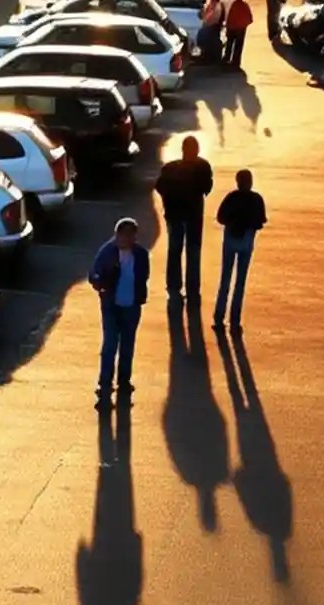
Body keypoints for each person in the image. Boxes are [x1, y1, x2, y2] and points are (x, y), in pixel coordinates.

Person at [88, 218, 150, 409]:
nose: (125, 240)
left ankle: (124, 381)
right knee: (110, 346)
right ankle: (105, 385)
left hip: (131, 306)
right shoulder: (108, 252)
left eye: (130, 236)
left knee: (128, 346)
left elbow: (144, 275)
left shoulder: (140, 254)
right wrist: (101, 283)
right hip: (111, 306)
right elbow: (93, 274)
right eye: (123, 236)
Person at [154, 135, 213, 303]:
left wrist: (169, 201)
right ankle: (192, 289)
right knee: (193, 252)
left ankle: (173, 286)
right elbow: (207, 188)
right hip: (193, 216)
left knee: (174, 250)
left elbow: (159, 186)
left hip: (174, 215)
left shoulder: (170, 169)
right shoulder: (203, 167)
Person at [213, 169, 266, 331]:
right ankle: (234, 320)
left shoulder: (231, 198)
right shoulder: (256, 199)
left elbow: (220, 217)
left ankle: (219, 317)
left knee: (225, 279)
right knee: (240, 281)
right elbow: (260, 221)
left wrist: (233, 223)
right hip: (247, 240)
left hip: (230, 238)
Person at [224, 0, 254, 68]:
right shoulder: (244, 6)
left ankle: (226, 58)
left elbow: (229, 17)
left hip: (232, 28)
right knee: (239, 46)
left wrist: (228, 27)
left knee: (229, 44)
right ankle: (236, 62)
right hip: (241, 29)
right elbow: (250, 18)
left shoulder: (233, 5)